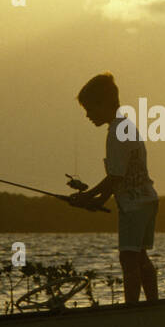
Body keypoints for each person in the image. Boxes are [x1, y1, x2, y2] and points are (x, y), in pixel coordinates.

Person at [68, 73, 159, 303]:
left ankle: (132, 309)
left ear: (103, 104)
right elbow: (117, 176)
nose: (87, 115)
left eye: (89, 109)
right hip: (148, 200)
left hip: (133, 205)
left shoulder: (116, 133)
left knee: (128, 259)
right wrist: (95, 200)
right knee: (140, 257)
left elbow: (115, 178)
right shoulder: (127, 126)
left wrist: (90, 197)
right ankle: (153, 304)